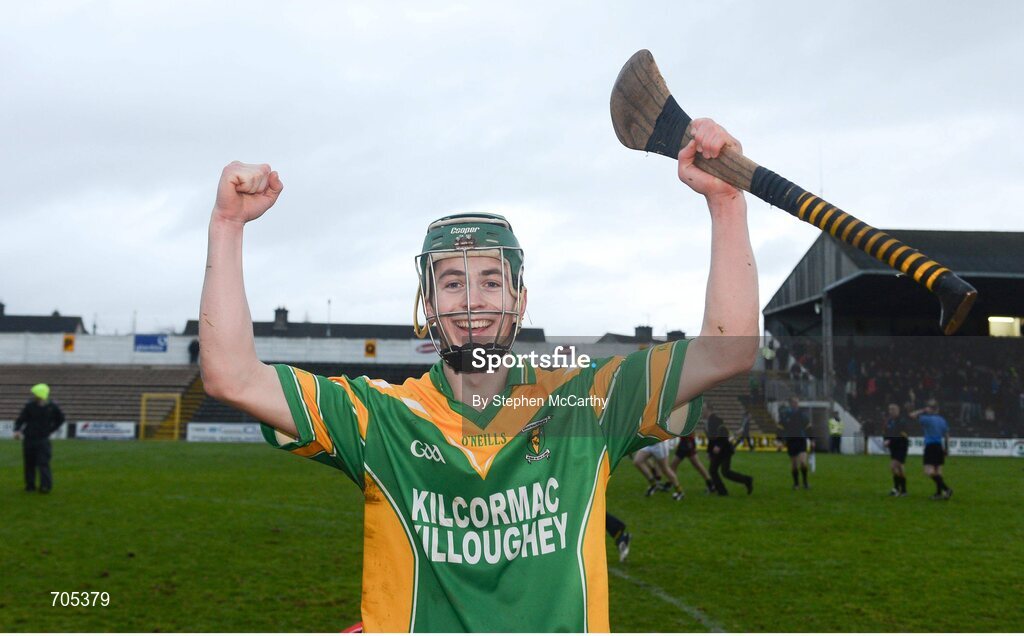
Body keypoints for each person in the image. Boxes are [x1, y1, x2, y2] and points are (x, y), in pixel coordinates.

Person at [198, 119, 759, 631]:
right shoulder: (380, 416)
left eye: (491, 281)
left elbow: (724, 352)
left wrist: (726, 201)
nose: (472, 302)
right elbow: (233, 377)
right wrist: (227, 224)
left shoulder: (587, 401)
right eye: (452, 282)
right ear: (428, 303)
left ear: (518, 298)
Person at [13, 383, 65, 494]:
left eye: (36, 394)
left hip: (43, 439)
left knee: (43, 463)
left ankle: (45, 486)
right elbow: (21, 419)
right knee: (29, 463)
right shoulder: (29, 406)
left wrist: (51, 429)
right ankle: (30, 485)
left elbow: (60, 419)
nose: (34, 396)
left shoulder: (52, 407)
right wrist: (17, 430)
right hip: (29, 438)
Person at [910, 399, 953, 500]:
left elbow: (912, 415)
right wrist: (946, 448)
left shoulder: (926, 419)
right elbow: (947, 435)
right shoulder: (942, 420)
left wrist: (922, 410)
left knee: (928, 471)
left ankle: (946, 489)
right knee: (938, 471)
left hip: (930, 446)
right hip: (939, 446)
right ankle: (938, 494)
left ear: (929, 409)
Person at [706, 421, 753, 496]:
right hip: (719, 451)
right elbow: (711, 440)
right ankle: (722, 491)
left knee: (725, 472)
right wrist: (709, 452)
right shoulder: (708, 424)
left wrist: (718, 447)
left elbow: (723, 437)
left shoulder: (715, 423)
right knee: (713, 470)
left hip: (725, 452)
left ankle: (747, 480)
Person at [778, 396, 813, 489]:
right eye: (794, 402)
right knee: (794, 464)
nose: (795, 404)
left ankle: (805, 483)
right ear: (790, 404)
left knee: (802, 462)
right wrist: (780, 441)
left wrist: (812, 440)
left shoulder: (802, 414)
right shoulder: (785, 415)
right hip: (791, 441)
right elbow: (780, 428)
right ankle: (796, 484)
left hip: (801, 440)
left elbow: (808, 427)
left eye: (797, 402)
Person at [883, 402, 910, 496]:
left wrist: (890, 441)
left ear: (898, 410)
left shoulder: (902, 421)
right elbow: (886, 432)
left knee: (893, 466)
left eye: (893, 409)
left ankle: (896, 488)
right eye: (890, 409)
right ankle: (903, 490)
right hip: (893, 447)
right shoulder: (889, 421)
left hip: (901, 447)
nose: (891, 411)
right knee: (900, 468)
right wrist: (886, 440)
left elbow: (902, 435)